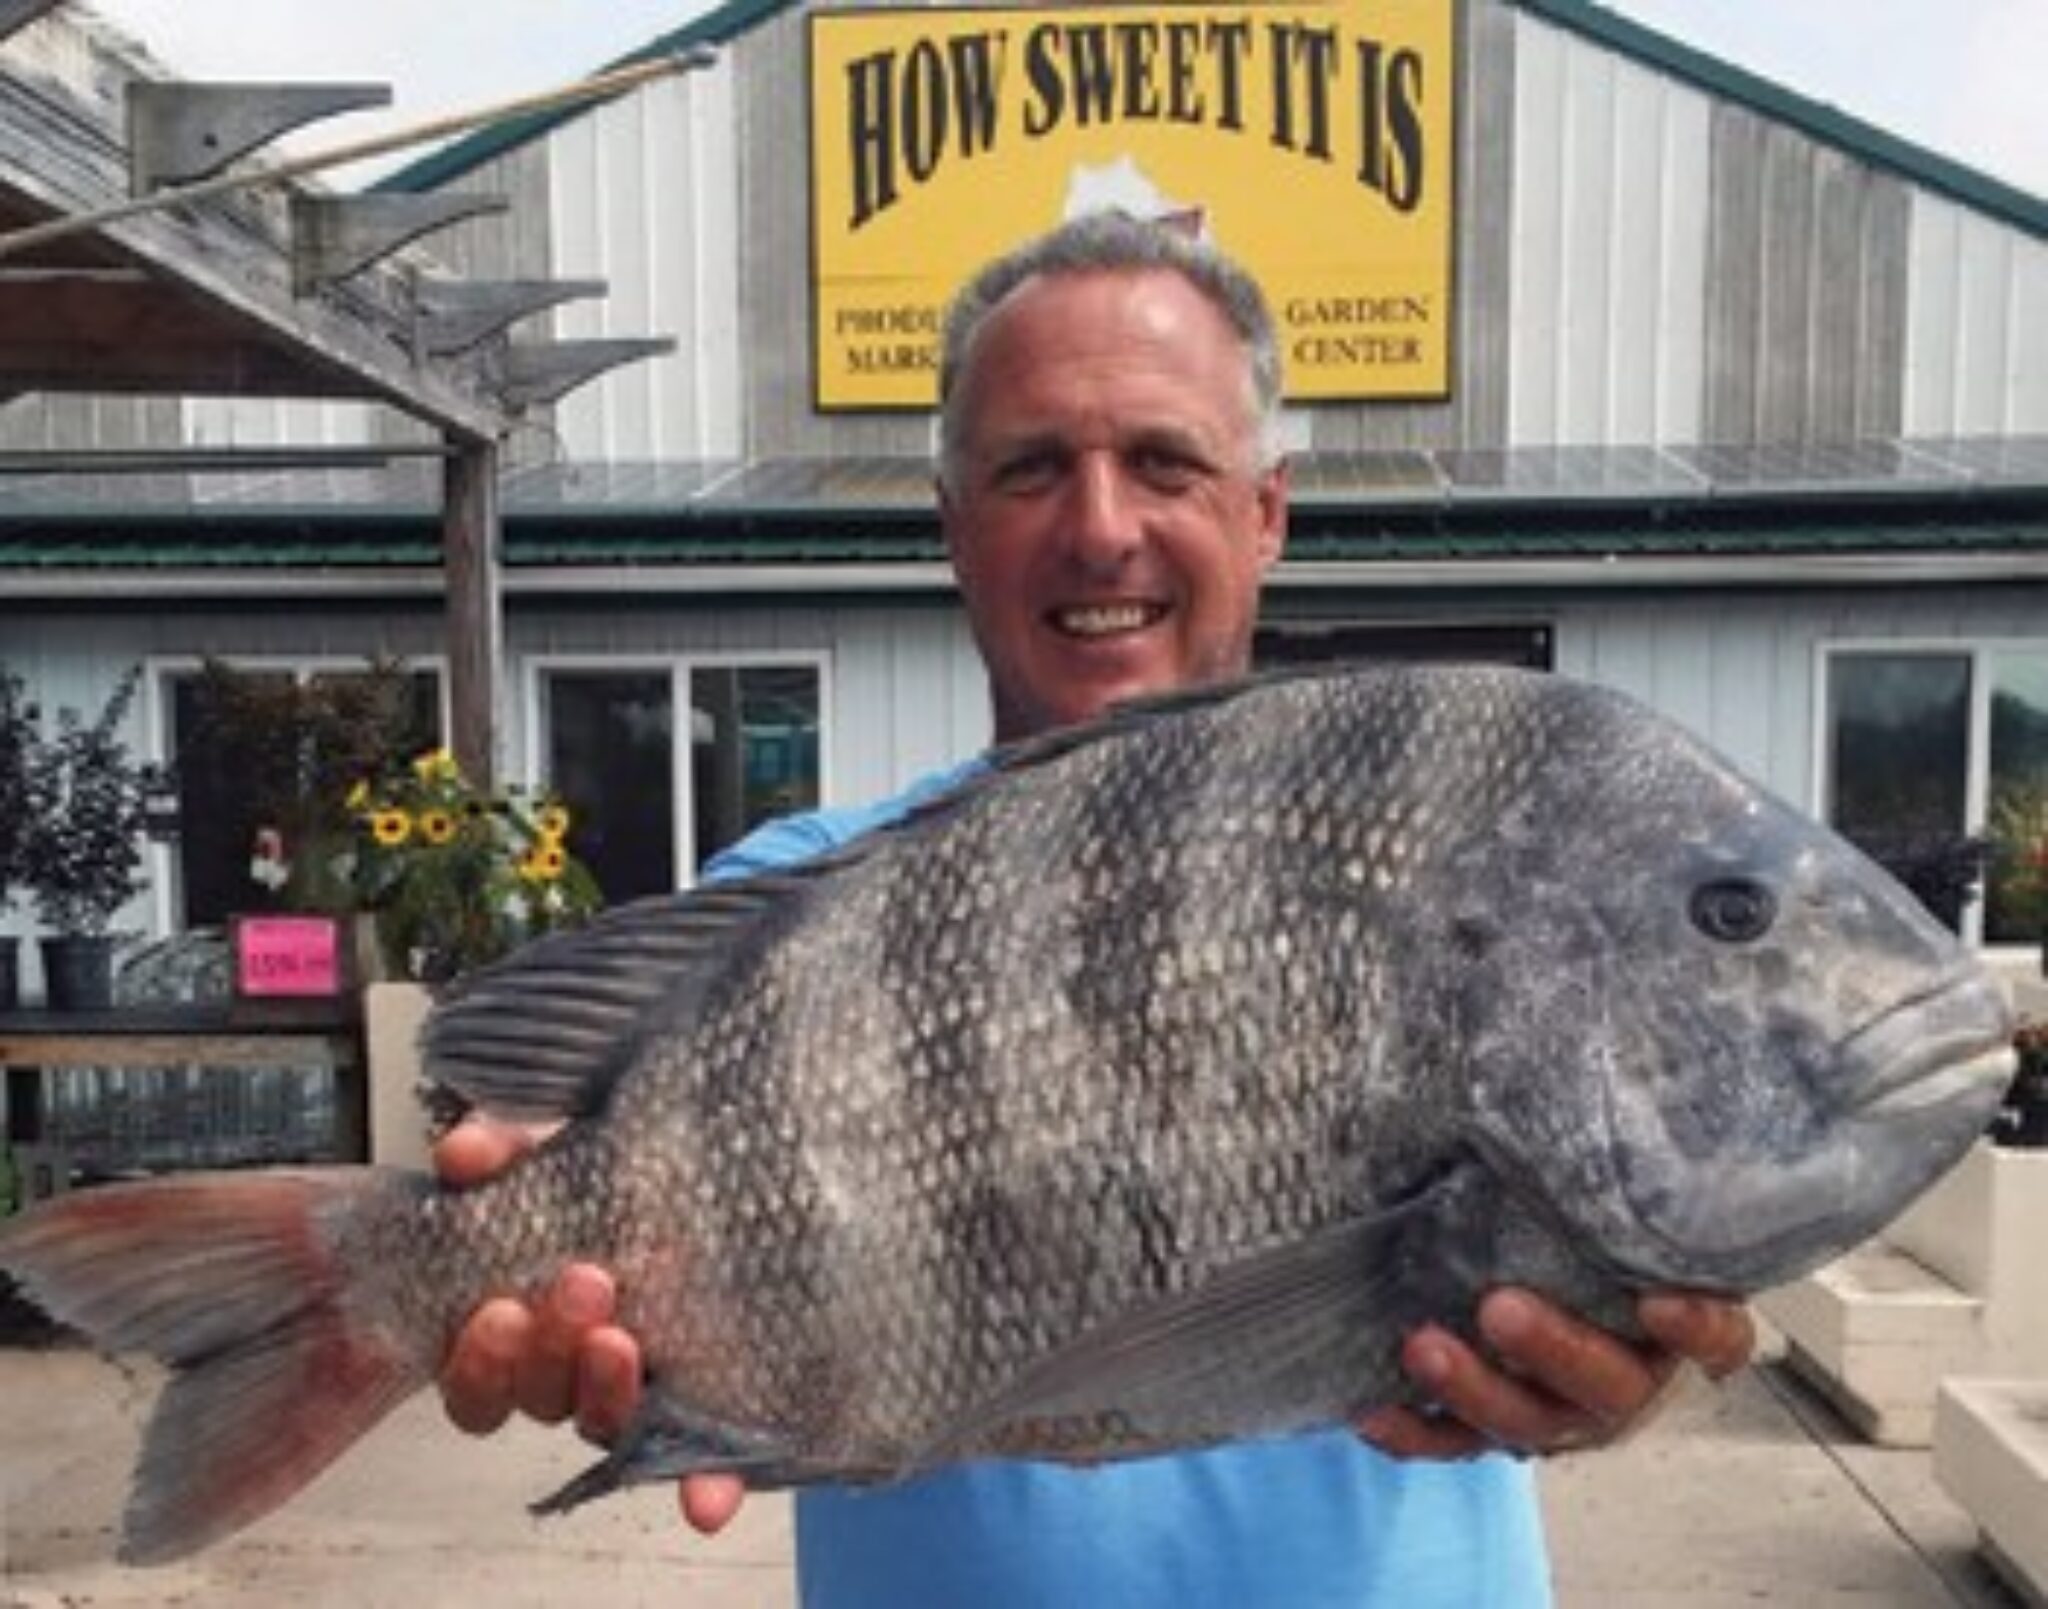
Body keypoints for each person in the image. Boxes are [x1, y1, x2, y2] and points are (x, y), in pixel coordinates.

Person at [434, 212, 1756, 1605]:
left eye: (1166, 461)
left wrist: (1622, 1366)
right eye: (1032, 468)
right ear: (952, 525)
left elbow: (1627, 1214)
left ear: (1267, 510)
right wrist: (498, 1256)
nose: (1102, 526)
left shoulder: (1458, 862)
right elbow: (563, 1158)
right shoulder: (799, 905)